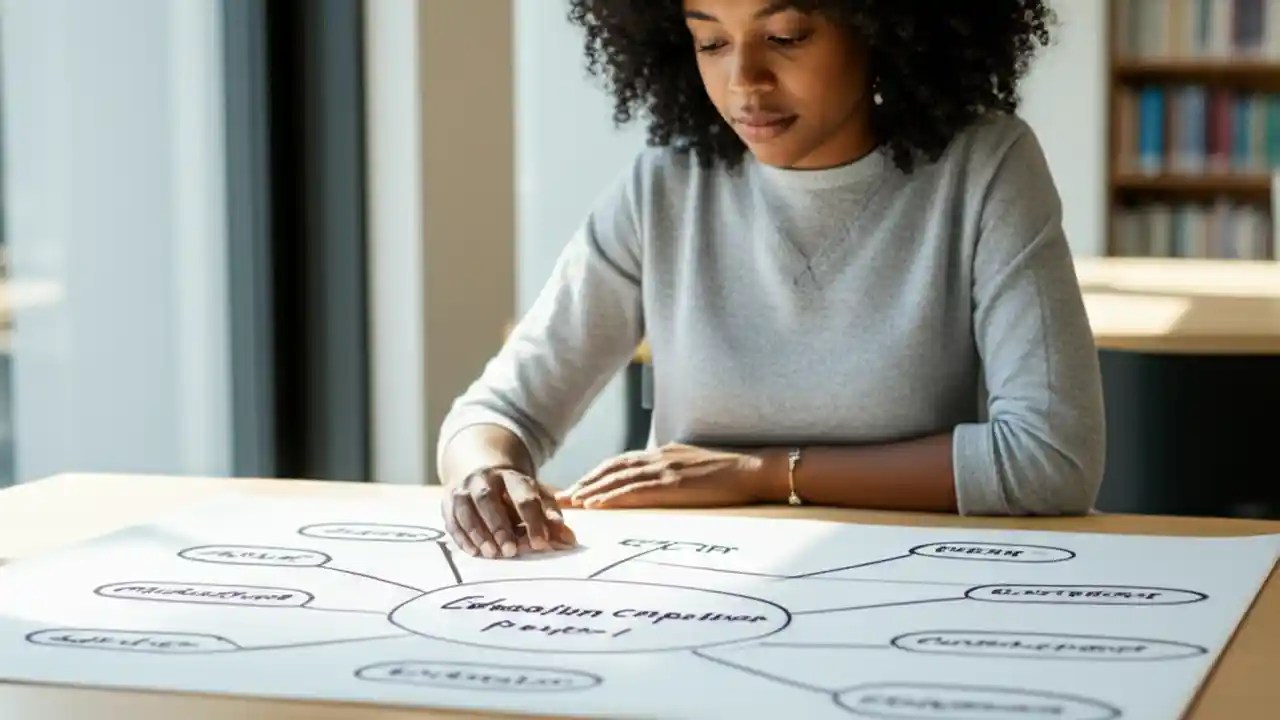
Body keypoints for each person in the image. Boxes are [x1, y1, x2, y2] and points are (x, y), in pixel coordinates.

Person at [435, 0, 1105, 559]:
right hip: (688, 583)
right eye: (710, 42)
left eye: (785, 37)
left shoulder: (983, 168)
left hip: (907, 578)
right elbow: (497, 413)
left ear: (877, 25)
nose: (744, 81)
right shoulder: (666, 187)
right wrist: (485, 472)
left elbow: (1051, 459)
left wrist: (760, 473)